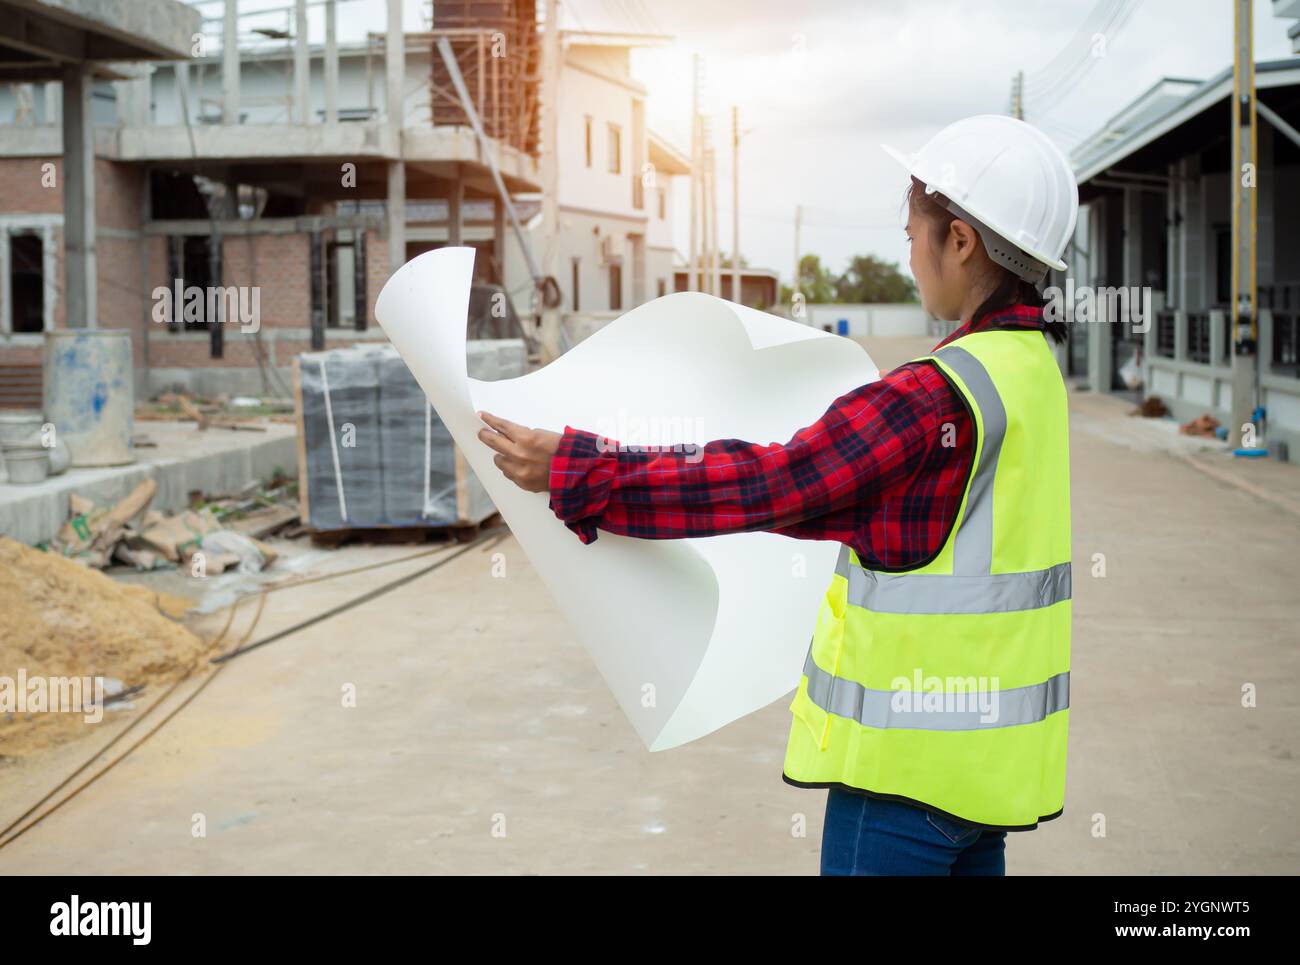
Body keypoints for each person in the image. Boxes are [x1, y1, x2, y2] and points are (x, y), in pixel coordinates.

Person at [476, 114, 1077, 876]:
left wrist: (583, 468)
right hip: (985, 788)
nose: (909, 250)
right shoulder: (1032, 372)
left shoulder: (934, 396)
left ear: (958, 240)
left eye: (913, 230)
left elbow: (773, 482)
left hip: (900, 786)